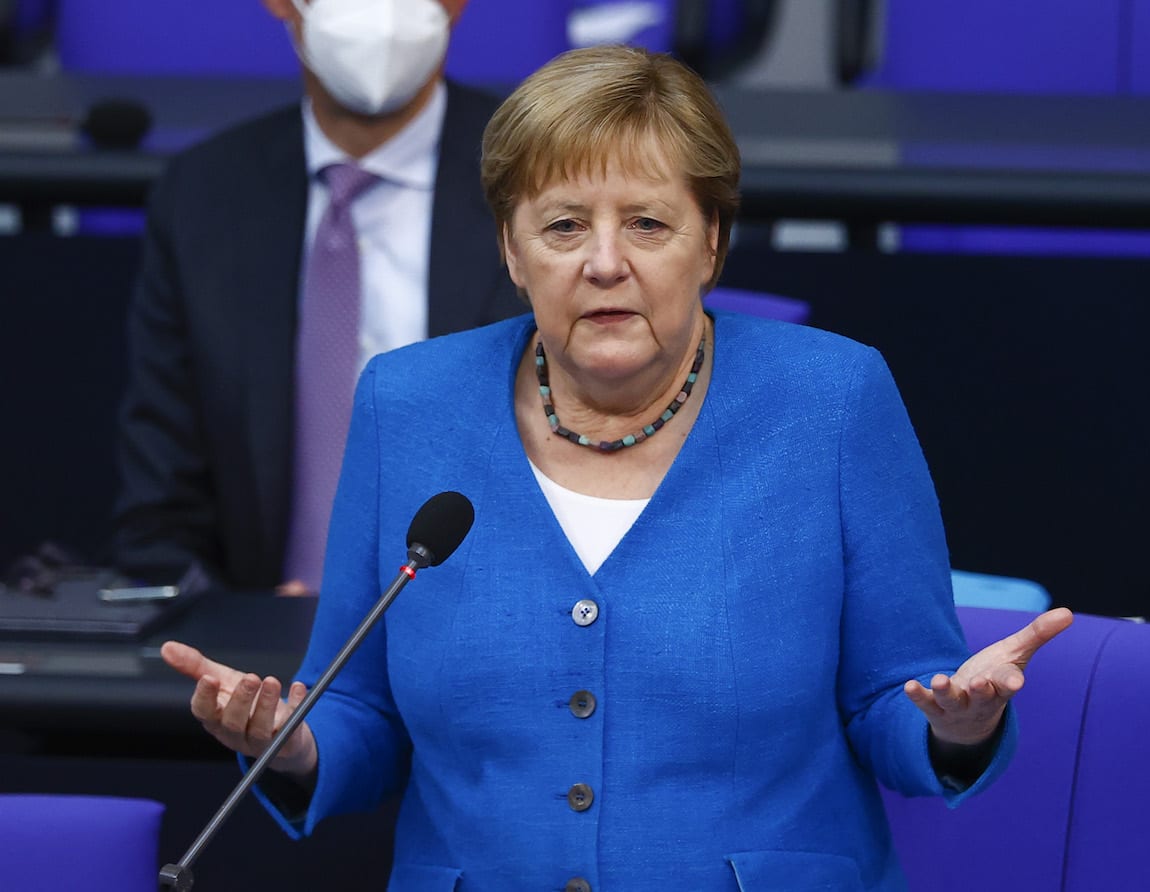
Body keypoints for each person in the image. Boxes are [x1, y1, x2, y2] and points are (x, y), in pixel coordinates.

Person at [161, 45, 1074, 891]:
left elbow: (890, 696)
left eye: (647, 223)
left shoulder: (833, 400)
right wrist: (290, 746)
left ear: (711, 240)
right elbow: (359, 711)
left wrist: (959, 723)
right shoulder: (408, 405)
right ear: (512, 251)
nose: (605, 263)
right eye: (563, 226)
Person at [112, 0, 525, 596]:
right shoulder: (203, 194)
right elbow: (159, 505)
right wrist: (241, 633)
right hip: (263, 652)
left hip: (494, 641)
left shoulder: (542, 184)